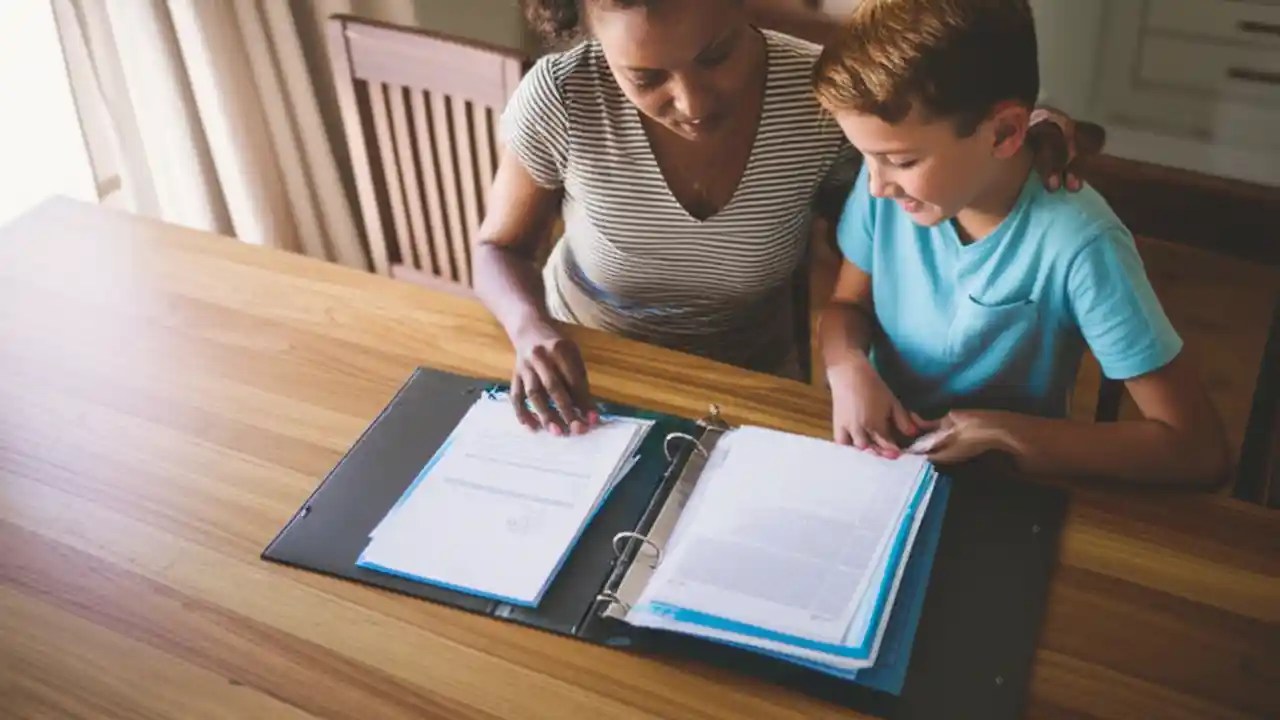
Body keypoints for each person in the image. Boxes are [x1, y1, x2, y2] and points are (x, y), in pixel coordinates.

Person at [473, 0, 1094, 435]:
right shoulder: (562, 97)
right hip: (588, 375)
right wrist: (531, 329)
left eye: (715, 55)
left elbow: (924, 172)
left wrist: (1016, 144)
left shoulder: (818, 99)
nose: (690, 102)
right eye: (645, 77)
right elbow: (497, 250)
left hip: (755, 385)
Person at [813, 0, 1229, 486]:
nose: (876, 185)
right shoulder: (887, 189)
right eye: (867, 157)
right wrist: (847, 366)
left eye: (902, 161)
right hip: (882, 467)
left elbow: (1197, 448)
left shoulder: (1080, 243)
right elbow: (848, 305)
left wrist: (1006, 433)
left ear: (1006, 132)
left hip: (1008, 483)